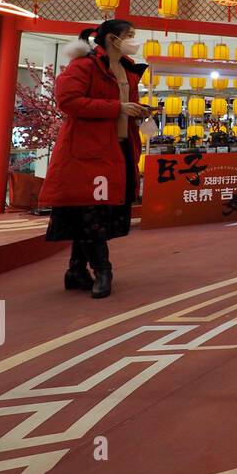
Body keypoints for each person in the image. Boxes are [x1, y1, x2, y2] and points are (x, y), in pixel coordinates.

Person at [38, 21, 151, 299]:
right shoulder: (83, 66)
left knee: (94, 210)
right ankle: (103, 269)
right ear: (113, 39)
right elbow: (68, 101)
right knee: (92, 211)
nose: (134, 41)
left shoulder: (128, 69)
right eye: (129, 36)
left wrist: (140, 111)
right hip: (88, 152)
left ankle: (76, 269)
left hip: (119, 148)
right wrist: (117, 107)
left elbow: (124, 107)